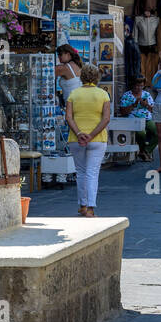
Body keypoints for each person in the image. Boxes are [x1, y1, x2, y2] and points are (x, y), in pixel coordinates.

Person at [64, 63, 111, 217]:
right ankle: (91, 208)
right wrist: (91, 135)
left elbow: (69, 117)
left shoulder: (73, 94)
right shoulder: (103, 95)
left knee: (81, 172)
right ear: (97, 77)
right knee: (92, 172)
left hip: (76, 139)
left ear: (82, 77)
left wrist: (79, 133)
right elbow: (105, 119)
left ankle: (82, 205)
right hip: (97, 139)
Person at [120, 76, 157, 161]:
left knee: (158, 131)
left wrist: (146, 105)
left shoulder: (146, 94)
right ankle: (144, 151)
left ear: (144, 85)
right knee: (141, 133)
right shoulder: (127, 95)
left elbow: (153, 110)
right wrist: (133, 105)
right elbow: (123, 112)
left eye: (141, 85)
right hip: (133, 120)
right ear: (133, 85)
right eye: (137, 85)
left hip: (146, 119)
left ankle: (145, 151)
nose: (139, 88)